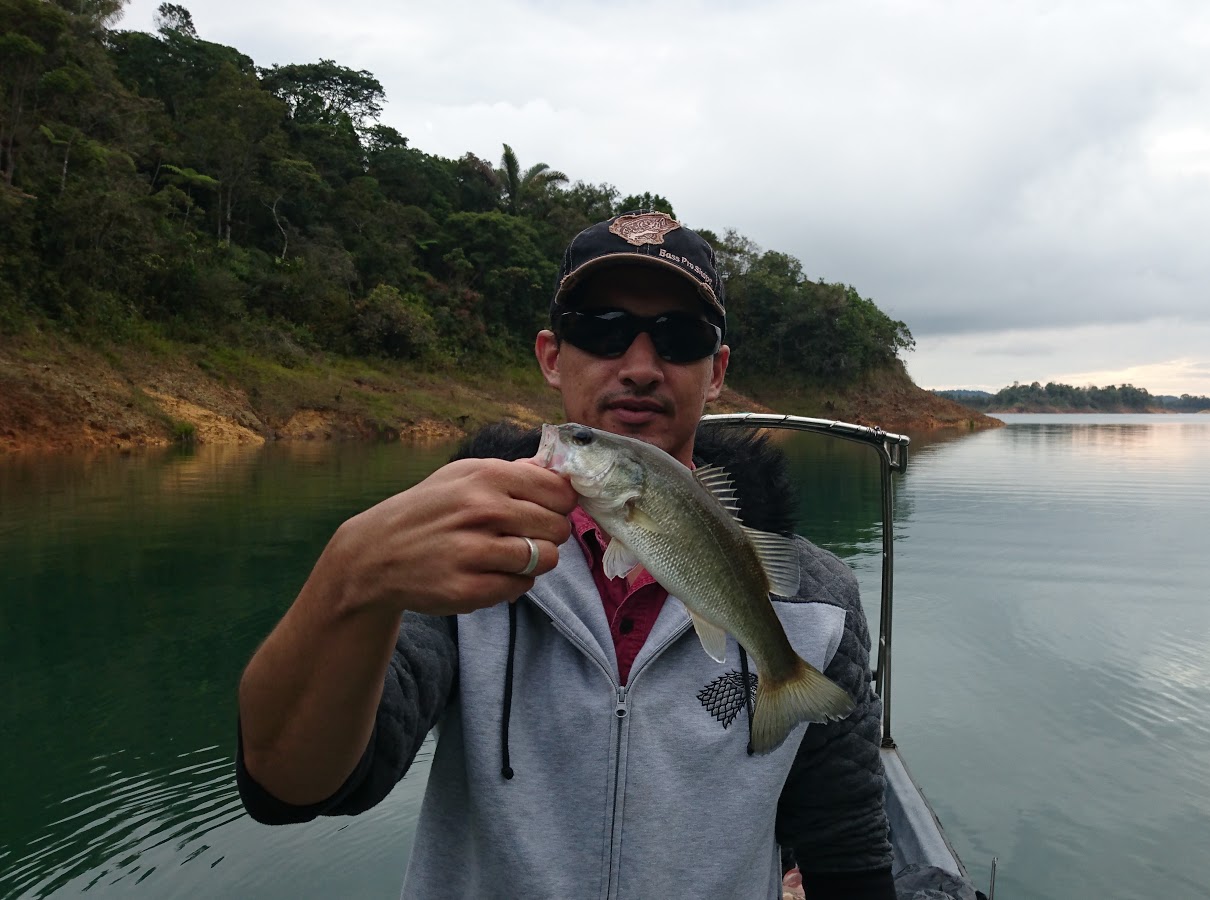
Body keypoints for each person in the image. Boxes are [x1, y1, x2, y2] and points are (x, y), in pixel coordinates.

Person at [234, 212, 896, 898]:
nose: (640, 367)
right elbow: (293, 786)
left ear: (717, 371)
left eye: (680, 337)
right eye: (601, 329)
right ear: (552, 356)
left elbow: (846, 849)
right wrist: (351, 577)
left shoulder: (816, 604)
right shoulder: (457, 562)